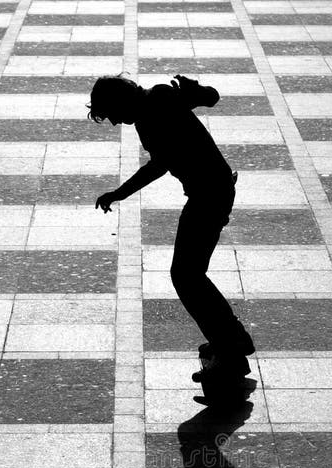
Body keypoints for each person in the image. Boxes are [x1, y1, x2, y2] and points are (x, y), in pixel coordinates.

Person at [87, 74, 255, 388]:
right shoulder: (153, 106)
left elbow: (160, 162)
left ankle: (230, 348)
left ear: (121, 100)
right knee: (188, 274)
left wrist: (118, 193)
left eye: (111, 114)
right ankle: (230, 341)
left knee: (186, 275)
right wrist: (198, 93)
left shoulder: (159, 101)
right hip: (207, 192)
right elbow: (166, 155)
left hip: (211, 194)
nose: (113, 123)